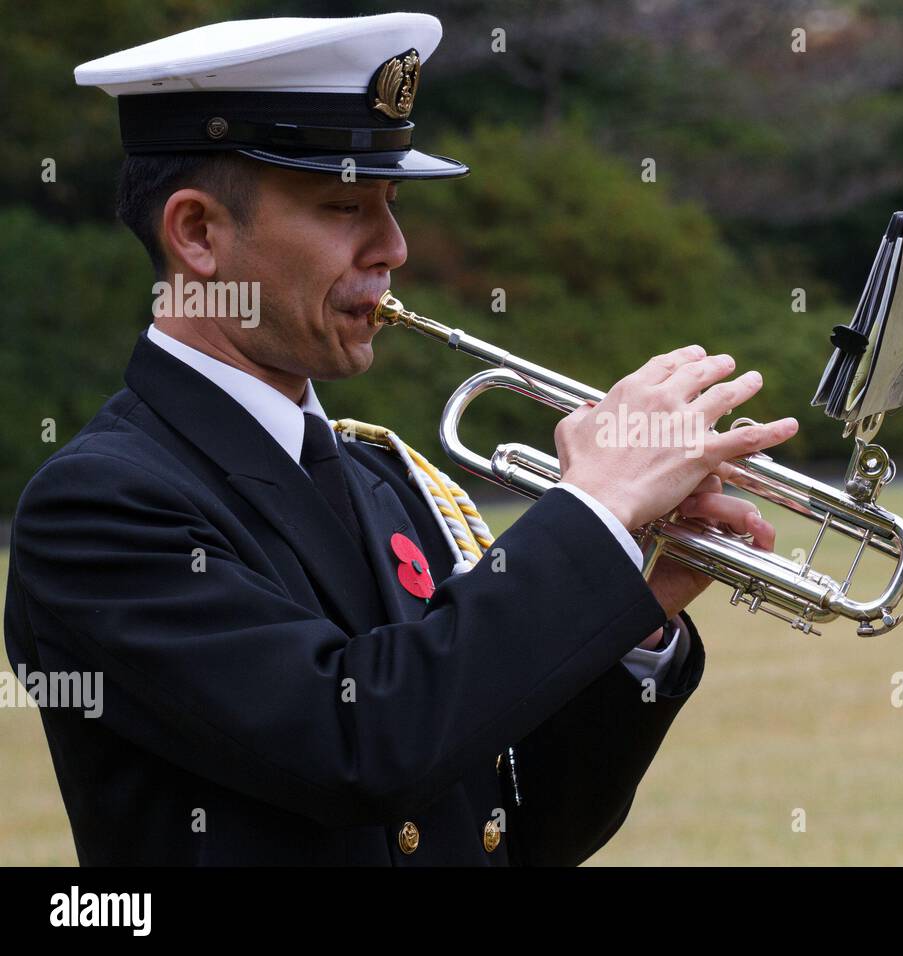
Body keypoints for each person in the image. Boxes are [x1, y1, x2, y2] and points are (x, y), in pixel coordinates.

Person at [2, 13, 799, 865]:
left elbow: (519, 833)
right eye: (346, 206)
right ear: (197, 234)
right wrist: (594, 510)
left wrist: (633, 609)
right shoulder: (98, 508)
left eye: (392, 205)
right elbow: (360, 746)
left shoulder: (383, 476)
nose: (394, 247)